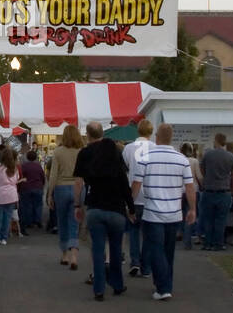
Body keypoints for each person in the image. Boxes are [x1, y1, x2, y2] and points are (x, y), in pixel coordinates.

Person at [132, 124, 195, 301]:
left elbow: (136, 185)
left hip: (152, 212)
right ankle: (166, 284)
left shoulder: (145, 158)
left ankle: (163, 287)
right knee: (169, 251)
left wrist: (130, 206)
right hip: (174, 212)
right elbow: (190, 187)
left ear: (157, 137)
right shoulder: (182, 159)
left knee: (155, 249)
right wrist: (193, 209)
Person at [73, 122, 130, 301]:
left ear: (88, 135)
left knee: (97, 249)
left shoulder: (85, 155)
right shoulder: (116, 156)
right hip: (116, 209)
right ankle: (117, 283)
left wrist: (77, 205)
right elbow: (125, 185)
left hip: (95, 207)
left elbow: (79, 182)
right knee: (115, 249)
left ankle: (98, 288)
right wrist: (132, 208)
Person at [45, 123, 84, 268]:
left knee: (62, 222)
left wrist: (50, 194)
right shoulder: (82, 151)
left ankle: (65, 255)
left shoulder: (58, 152)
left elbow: (53, 174)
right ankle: (74, 255)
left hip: (61, 188)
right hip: (78, 187)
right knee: (75, 222)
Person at [122, 120, 154, 278]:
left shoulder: (128, 148)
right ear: (151, 131)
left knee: (133, 231)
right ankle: (146, 266)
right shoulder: (155, 148)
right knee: (148, 234)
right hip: (150, 196)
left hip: (133, 194)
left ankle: (134, 261)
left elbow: (125, 168)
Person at [198, 133, 233, 251]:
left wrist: (207, 178)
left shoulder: (207, 155)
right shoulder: (231, 157)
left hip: (209, 190)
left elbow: (202, 170)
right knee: (221, 219)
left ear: (216, 141)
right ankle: (218, 243)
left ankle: (207, 243)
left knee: (208, 219)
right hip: (224, 191)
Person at [180, 142, 203, 249]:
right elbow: (199, 176)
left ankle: (181, 235)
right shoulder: (194, 161)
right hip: (193, 190)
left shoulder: (179, 160)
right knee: (191, 215)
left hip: (180, 191)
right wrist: (202, 185)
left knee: (182, 215)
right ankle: (187, 242)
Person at [18, 149, 45, 232]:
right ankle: (37, 220)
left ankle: (28, 222)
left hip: (26, 187)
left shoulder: (24, 166)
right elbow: (42, 176)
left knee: (27, 205)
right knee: (38, 205)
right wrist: (42, 184)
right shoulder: (38, 166)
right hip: (37, 187)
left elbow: (21, 176)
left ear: (27, 157)